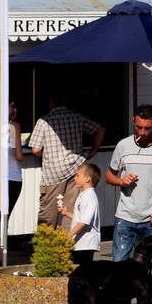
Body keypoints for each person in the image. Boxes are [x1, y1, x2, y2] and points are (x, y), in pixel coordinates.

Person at [106, 103, 152, 262]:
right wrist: (121, 181)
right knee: (119, 268)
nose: (142, 132)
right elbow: (108, 176)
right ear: (133, 121)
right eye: (138, 127)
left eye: (147, 128)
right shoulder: (123, 145)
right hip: (125, 217)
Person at [29, 92, 105, 227]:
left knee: (48, 214)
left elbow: (35, 149)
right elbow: (100, 129)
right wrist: (94, 149)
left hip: (53, 173)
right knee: (71, 210)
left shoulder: (44, 121)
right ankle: (67, 242)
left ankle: (46, 243)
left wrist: (45, 154)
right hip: (76, 169)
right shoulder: (76, 117)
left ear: (52, 102)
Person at [0, 100, 23, 270]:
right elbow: (19, 156)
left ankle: (4, 266)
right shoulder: (14, 126)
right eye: (12, 105)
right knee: (2, 220)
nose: (15, 108)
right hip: (15, 178)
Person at [60, 163, 101, 266]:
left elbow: (84, 222)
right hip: (80, 243)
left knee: (84, 272)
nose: (74, 178)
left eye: (77, 175)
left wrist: (68, 236)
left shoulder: (89, 196)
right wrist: (66, 213)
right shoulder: (84, 195)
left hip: (86, 244)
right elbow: (81, 218)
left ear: (87, 179)